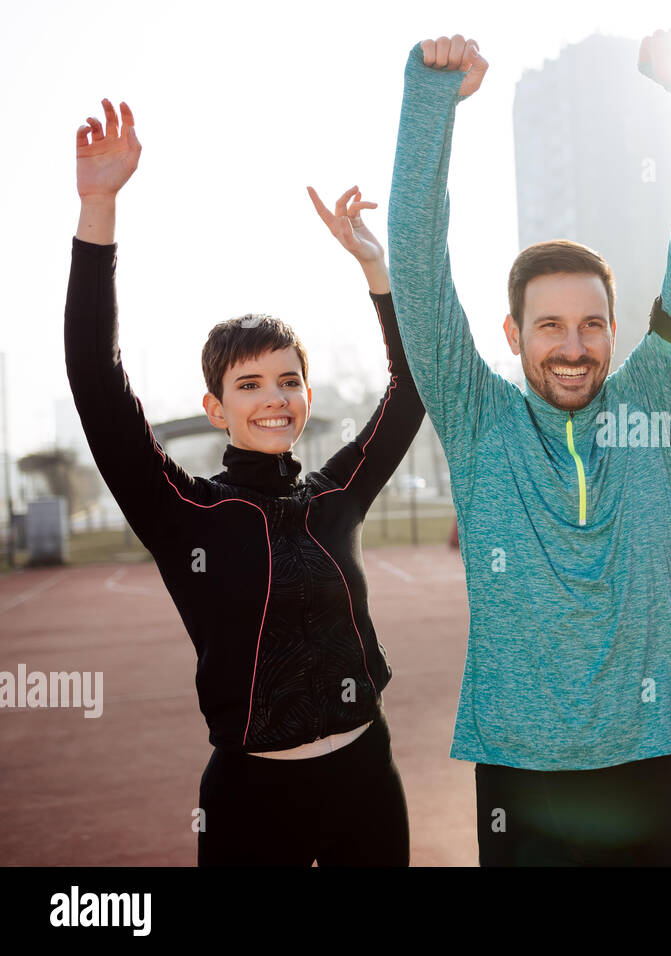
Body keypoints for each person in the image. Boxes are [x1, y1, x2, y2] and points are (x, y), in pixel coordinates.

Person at [386, 32, 671, 866]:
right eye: (549, 326)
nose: (572, 347)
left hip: (647, 752)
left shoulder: (652, 400)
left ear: (615, 331)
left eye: (591, 325)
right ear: (513, 333)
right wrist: (431, 106)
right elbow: (419, 272)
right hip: (520, 773)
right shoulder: (477, 421)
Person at [64, 98, 426, 866]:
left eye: (288, 381)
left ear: (306, 396)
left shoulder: (336, 494)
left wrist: (375, 269)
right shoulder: (186, 513)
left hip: (368, 777)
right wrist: (99, 209)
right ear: (215, 407)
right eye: (251, 384)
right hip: (253, 802)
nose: (274, 398)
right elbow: (97, 381)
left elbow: (413, 388)